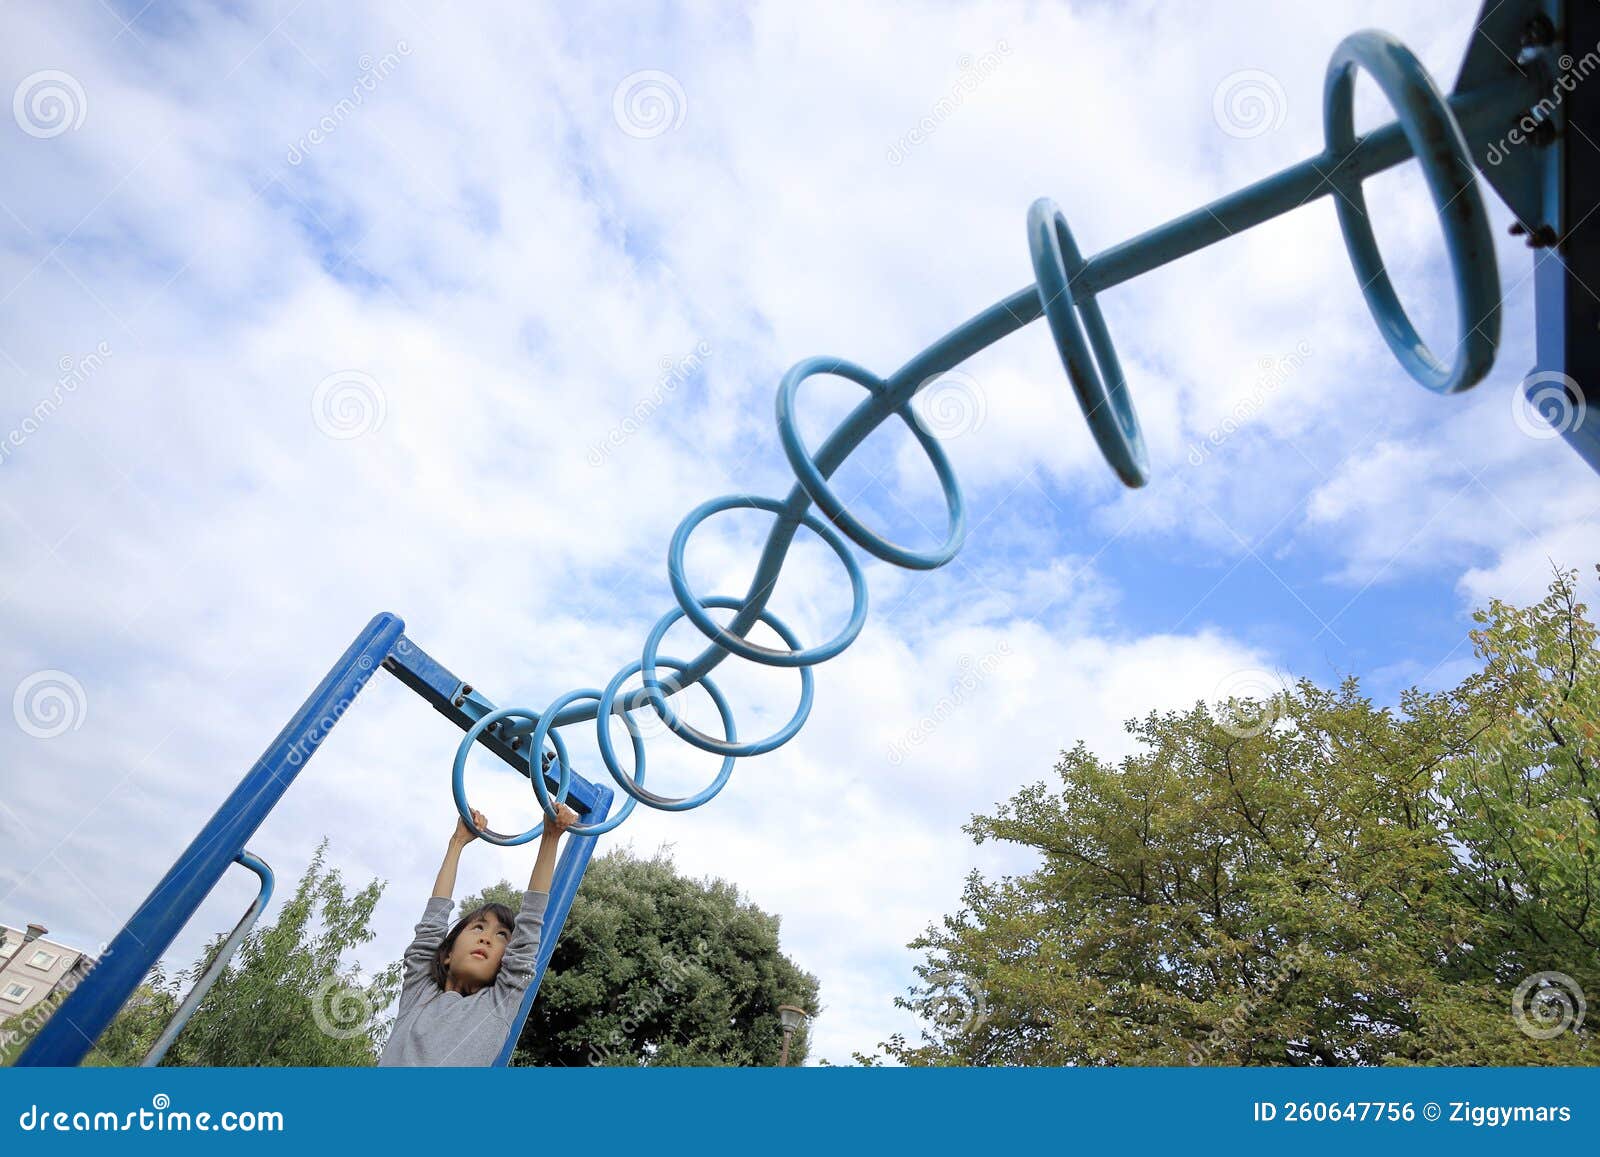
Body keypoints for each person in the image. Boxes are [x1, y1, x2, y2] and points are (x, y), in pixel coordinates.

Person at [377, 801, 579, 1066]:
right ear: (447, 955)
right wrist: (457, 842)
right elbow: (431, 927)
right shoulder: (419, 993)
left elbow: (530, 920)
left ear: (504, 964)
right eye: (479, 928)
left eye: (502, 936)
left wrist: (550, 837)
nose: (486, 938)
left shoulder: (497, 1004)